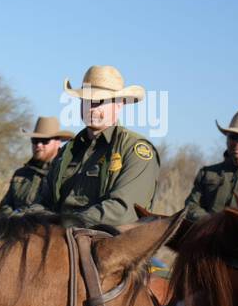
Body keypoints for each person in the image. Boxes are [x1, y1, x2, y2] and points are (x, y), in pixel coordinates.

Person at [26, 65, 159, 225]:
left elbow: (122, 210)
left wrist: (65, 224)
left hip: (107, 243)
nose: (91, 108)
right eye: (86, 100)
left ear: (119, 104)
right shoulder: (69, 150)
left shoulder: (135, 150)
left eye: (99, 101)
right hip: (59, 240)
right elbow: (42, 201)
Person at [0, 117, 72, 215]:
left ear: (57, 143)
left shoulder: (66, 174)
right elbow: (5, 206)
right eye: (35, 140)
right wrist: (13, 219)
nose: (39, 145)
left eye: (45, 140)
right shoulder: (21, 173)